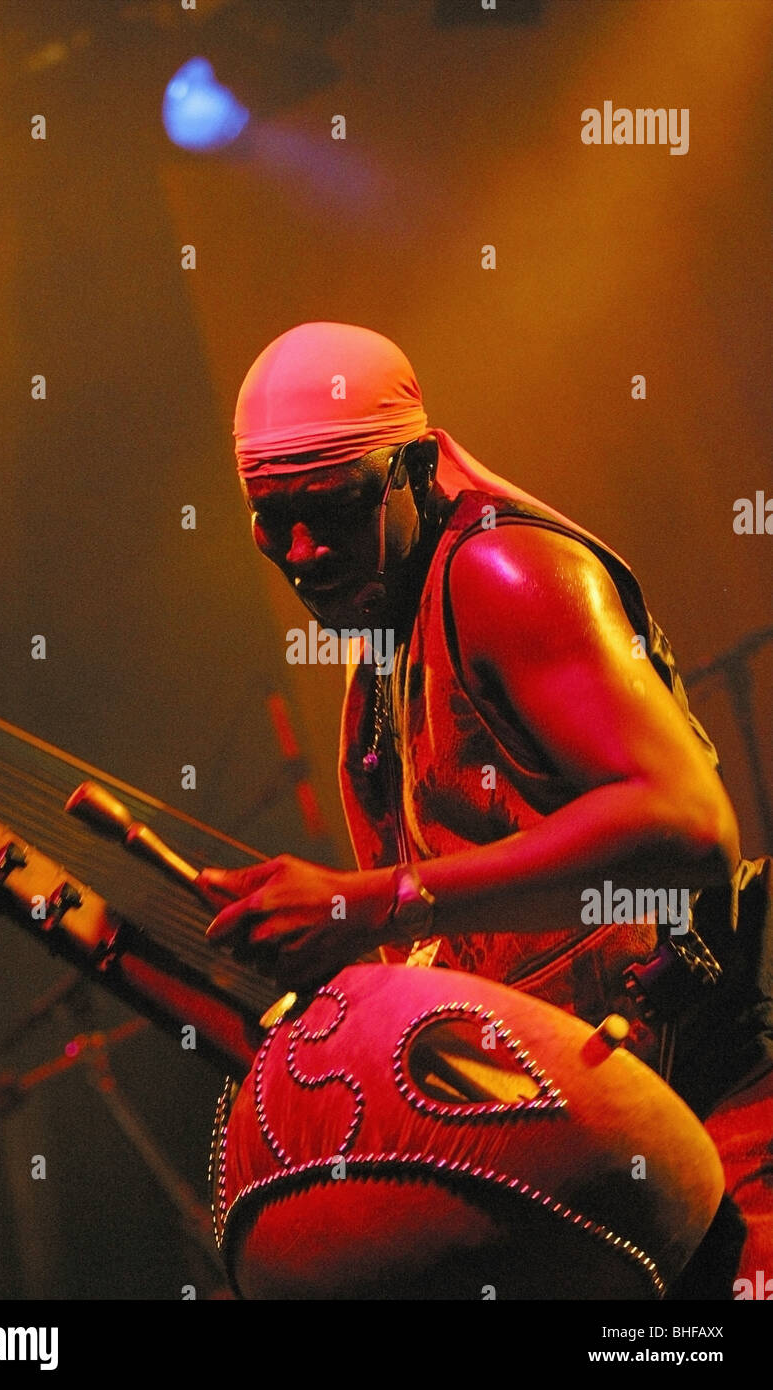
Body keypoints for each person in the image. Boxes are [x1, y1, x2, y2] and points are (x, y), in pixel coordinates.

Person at [200, 321, 773, 1299]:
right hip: (595, 1167)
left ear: (415, 467)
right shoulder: (387, 626)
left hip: (706, 1131)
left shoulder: (497, 573)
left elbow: (690, 824)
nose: (298, 550)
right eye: (270, 518)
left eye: (330, 510)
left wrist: (369, 901)